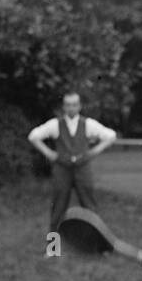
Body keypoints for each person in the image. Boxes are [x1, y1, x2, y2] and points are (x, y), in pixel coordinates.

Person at [27, 92, 117, 231]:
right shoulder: (55, 124)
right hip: (62, 169)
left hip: (83, 169)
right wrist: (50, 154)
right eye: (68, 105)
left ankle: (96, 245)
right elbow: (33, 136)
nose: (71, 108)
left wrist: (94, 151)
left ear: (79, 106)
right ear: (64, 107)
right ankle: (53, 249)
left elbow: (111, 136)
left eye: (74, 105)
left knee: (90, 206)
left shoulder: (88, 124)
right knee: (58, 207)